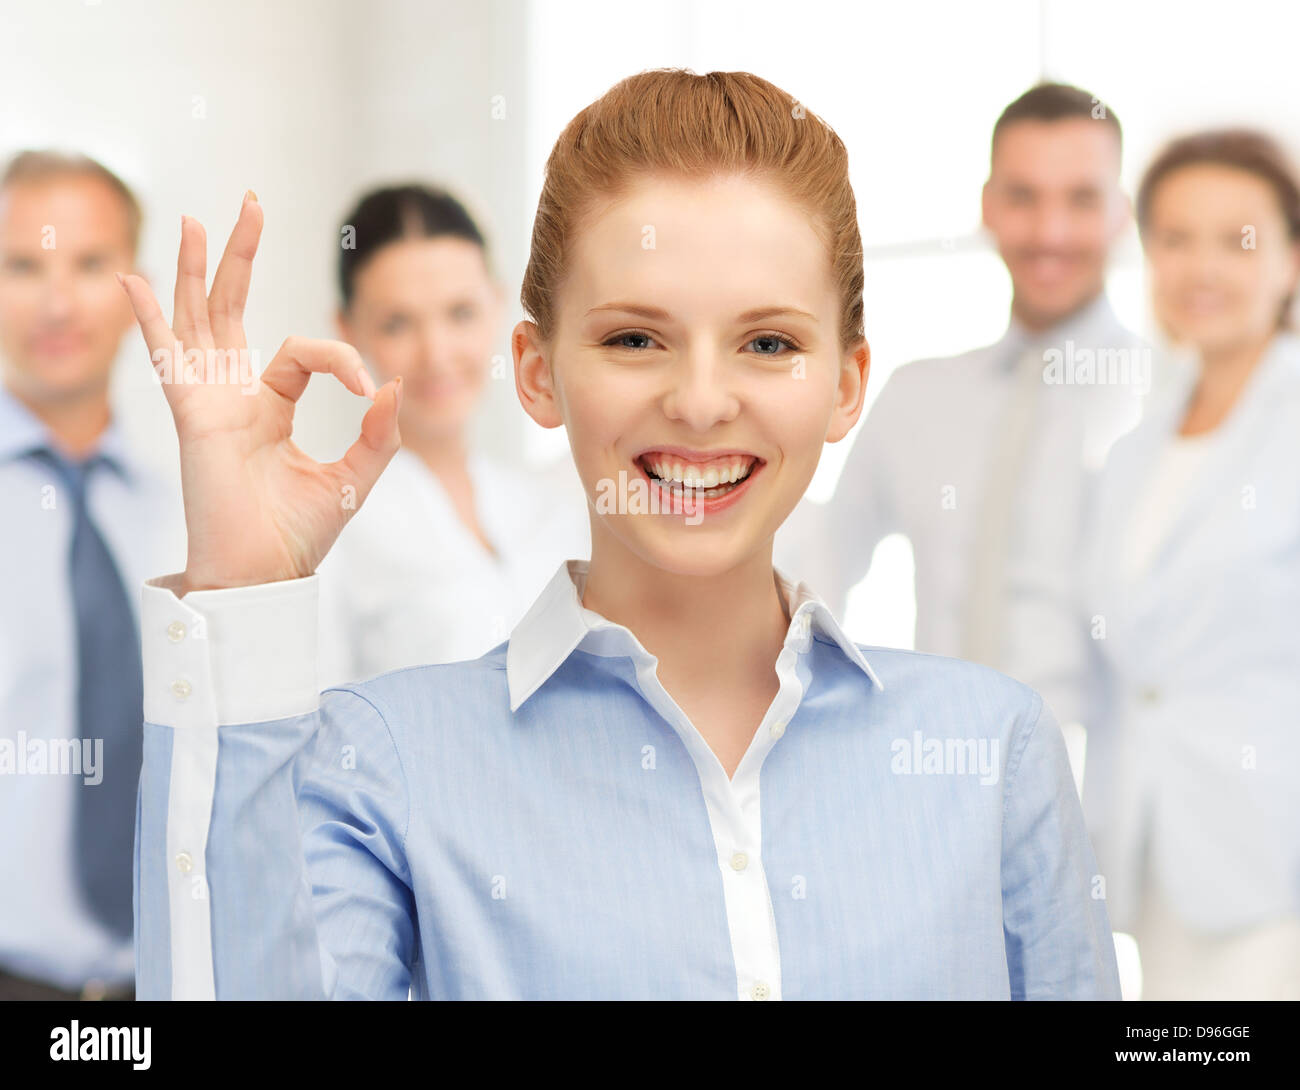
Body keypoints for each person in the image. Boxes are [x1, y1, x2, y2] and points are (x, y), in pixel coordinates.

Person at [120, 69, 1119, 1000]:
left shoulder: (992, 750)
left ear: (846, 382)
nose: (698, 400)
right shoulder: (385, 762)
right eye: (633, 339)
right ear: (539, 371)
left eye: (767, 342)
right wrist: (240, 595)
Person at [776, 82, 1149, 752]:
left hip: (1108, 794)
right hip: (940, 766)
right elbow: (820, 573)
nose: (1050, 232)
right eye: (1024, 196)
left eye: (1082, 199)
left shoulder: (1170, 399)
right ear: (988, 206)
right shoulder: (918, 395)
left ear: (1122, 213)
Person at [1080, 129, 1300, 1000]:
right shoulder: (1139, 443)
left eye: (1237, 240)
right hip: (1159, 853)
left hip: (1277, 857)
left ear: (1291, 257)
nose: (1200, 266)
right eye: (1174, 239)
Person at [0, 151, 184, 999]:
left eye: (88, 264)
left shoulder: (185, 517)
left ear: (134, 290)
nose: (58, 301)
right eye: (23, 266)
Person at [317, 185, 588, 687]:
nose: (436, 353)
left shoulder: (551, 508)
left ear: (498, 305)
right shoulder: (329, 526)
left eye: (460, 313)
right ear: (347, 330)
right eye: (397, 324)